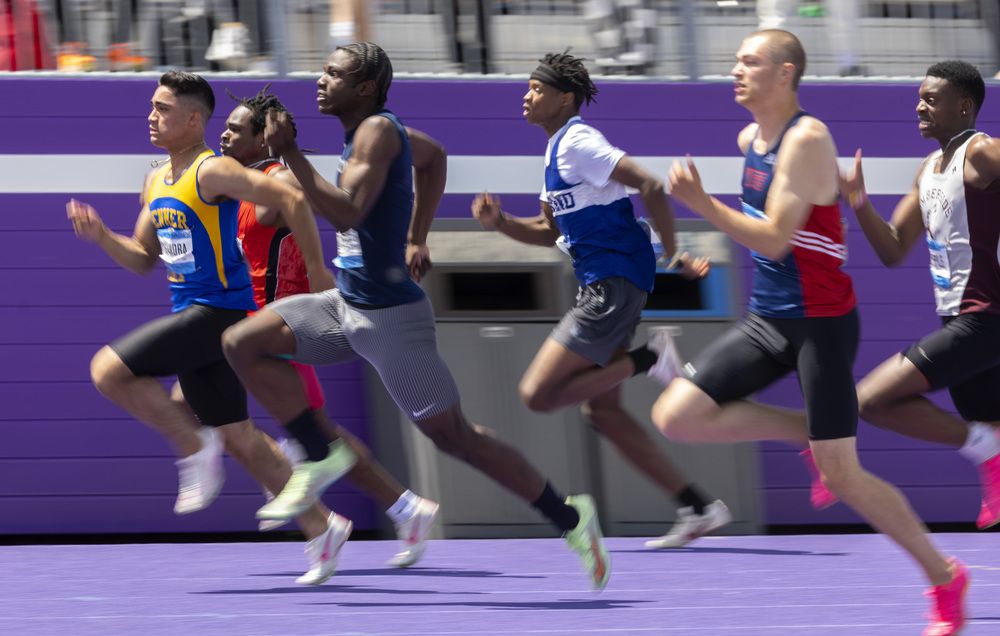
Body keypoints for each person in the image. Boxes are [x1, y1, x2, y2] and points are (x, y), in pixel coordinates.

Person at [221, 42, 611, 590]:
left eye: (333, 74)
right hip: (344, 306)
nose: (320, 81)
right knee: (242, 342)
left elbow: (348, 210)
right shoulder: (371, 135)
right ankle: (322, 453)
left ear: (364, 89)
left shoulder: (377, 131)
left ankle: (570, 517)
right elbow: (434, 158)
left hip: (390, 320)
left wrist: (293, 156)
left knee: (456, 439)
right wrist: (416, 236)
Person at [655, 30, 968, 635]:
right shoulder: (751, 138)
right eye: (735, 59)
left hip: (820, 327)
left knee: (845, 476)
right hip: (768, 319)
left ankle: (945, 577)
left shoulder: (807, 138)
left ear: (785, 73)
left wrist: (700, 203)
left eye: (749, 62)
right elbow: (772, 242)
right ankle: (808, 436)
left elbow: (773, 237)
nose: (735, 70)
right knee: (678, 415)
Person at [66, 70, 349, 586]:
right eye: (151, 107)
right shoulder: (156, 179)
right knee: (239, 436)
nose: (152, 116)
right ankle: (322, 527)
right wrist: (103, 235)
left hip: (222, 313)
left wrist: (318, 272)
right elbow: (141, 259)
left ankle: (194, 448)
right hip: (192, 316)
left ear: (194, 119)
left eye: (163, 108)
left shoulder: (212, 171)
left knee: (108, 370)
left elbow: (293, 199)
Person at [470, 50, 728, 548]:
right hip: (610, 284)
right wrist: (500, 224)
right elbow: (548, 233)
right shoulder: (552, 155)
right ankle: (697, 506)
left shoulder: (579, 142)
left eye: (536, 89)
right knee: (603, 412)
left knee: (538, 394)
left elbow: (650, 184)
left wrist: (673, 254)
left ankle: (648, 357)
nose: (526, 96)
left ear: (564, 98)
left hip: (610, 287)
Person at [219, 85, 440, 568]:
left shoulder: (281, 181)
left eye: (236, 129)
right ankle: (400, 508)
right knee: (310, 433)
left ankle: (322, 517)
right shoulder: (243, 187)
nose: (225, 134)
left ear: (262, 140)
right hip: (262, 326)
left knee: (279, 428)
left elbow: (320, 209)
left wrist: (322, 279)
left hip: (286, 327)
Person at [840, 60, 1000, 534]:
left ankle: (989, 455)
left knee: (869, 401)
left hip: (985, 318)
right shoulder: (928, 170)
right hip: (957, 320)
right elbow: (892, 248)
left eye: (931, 98)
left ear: (964, 106)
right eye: (920, 97)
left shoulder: (981, 153)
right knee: (989, 429)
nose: (919, 106)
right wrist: (861, 206)